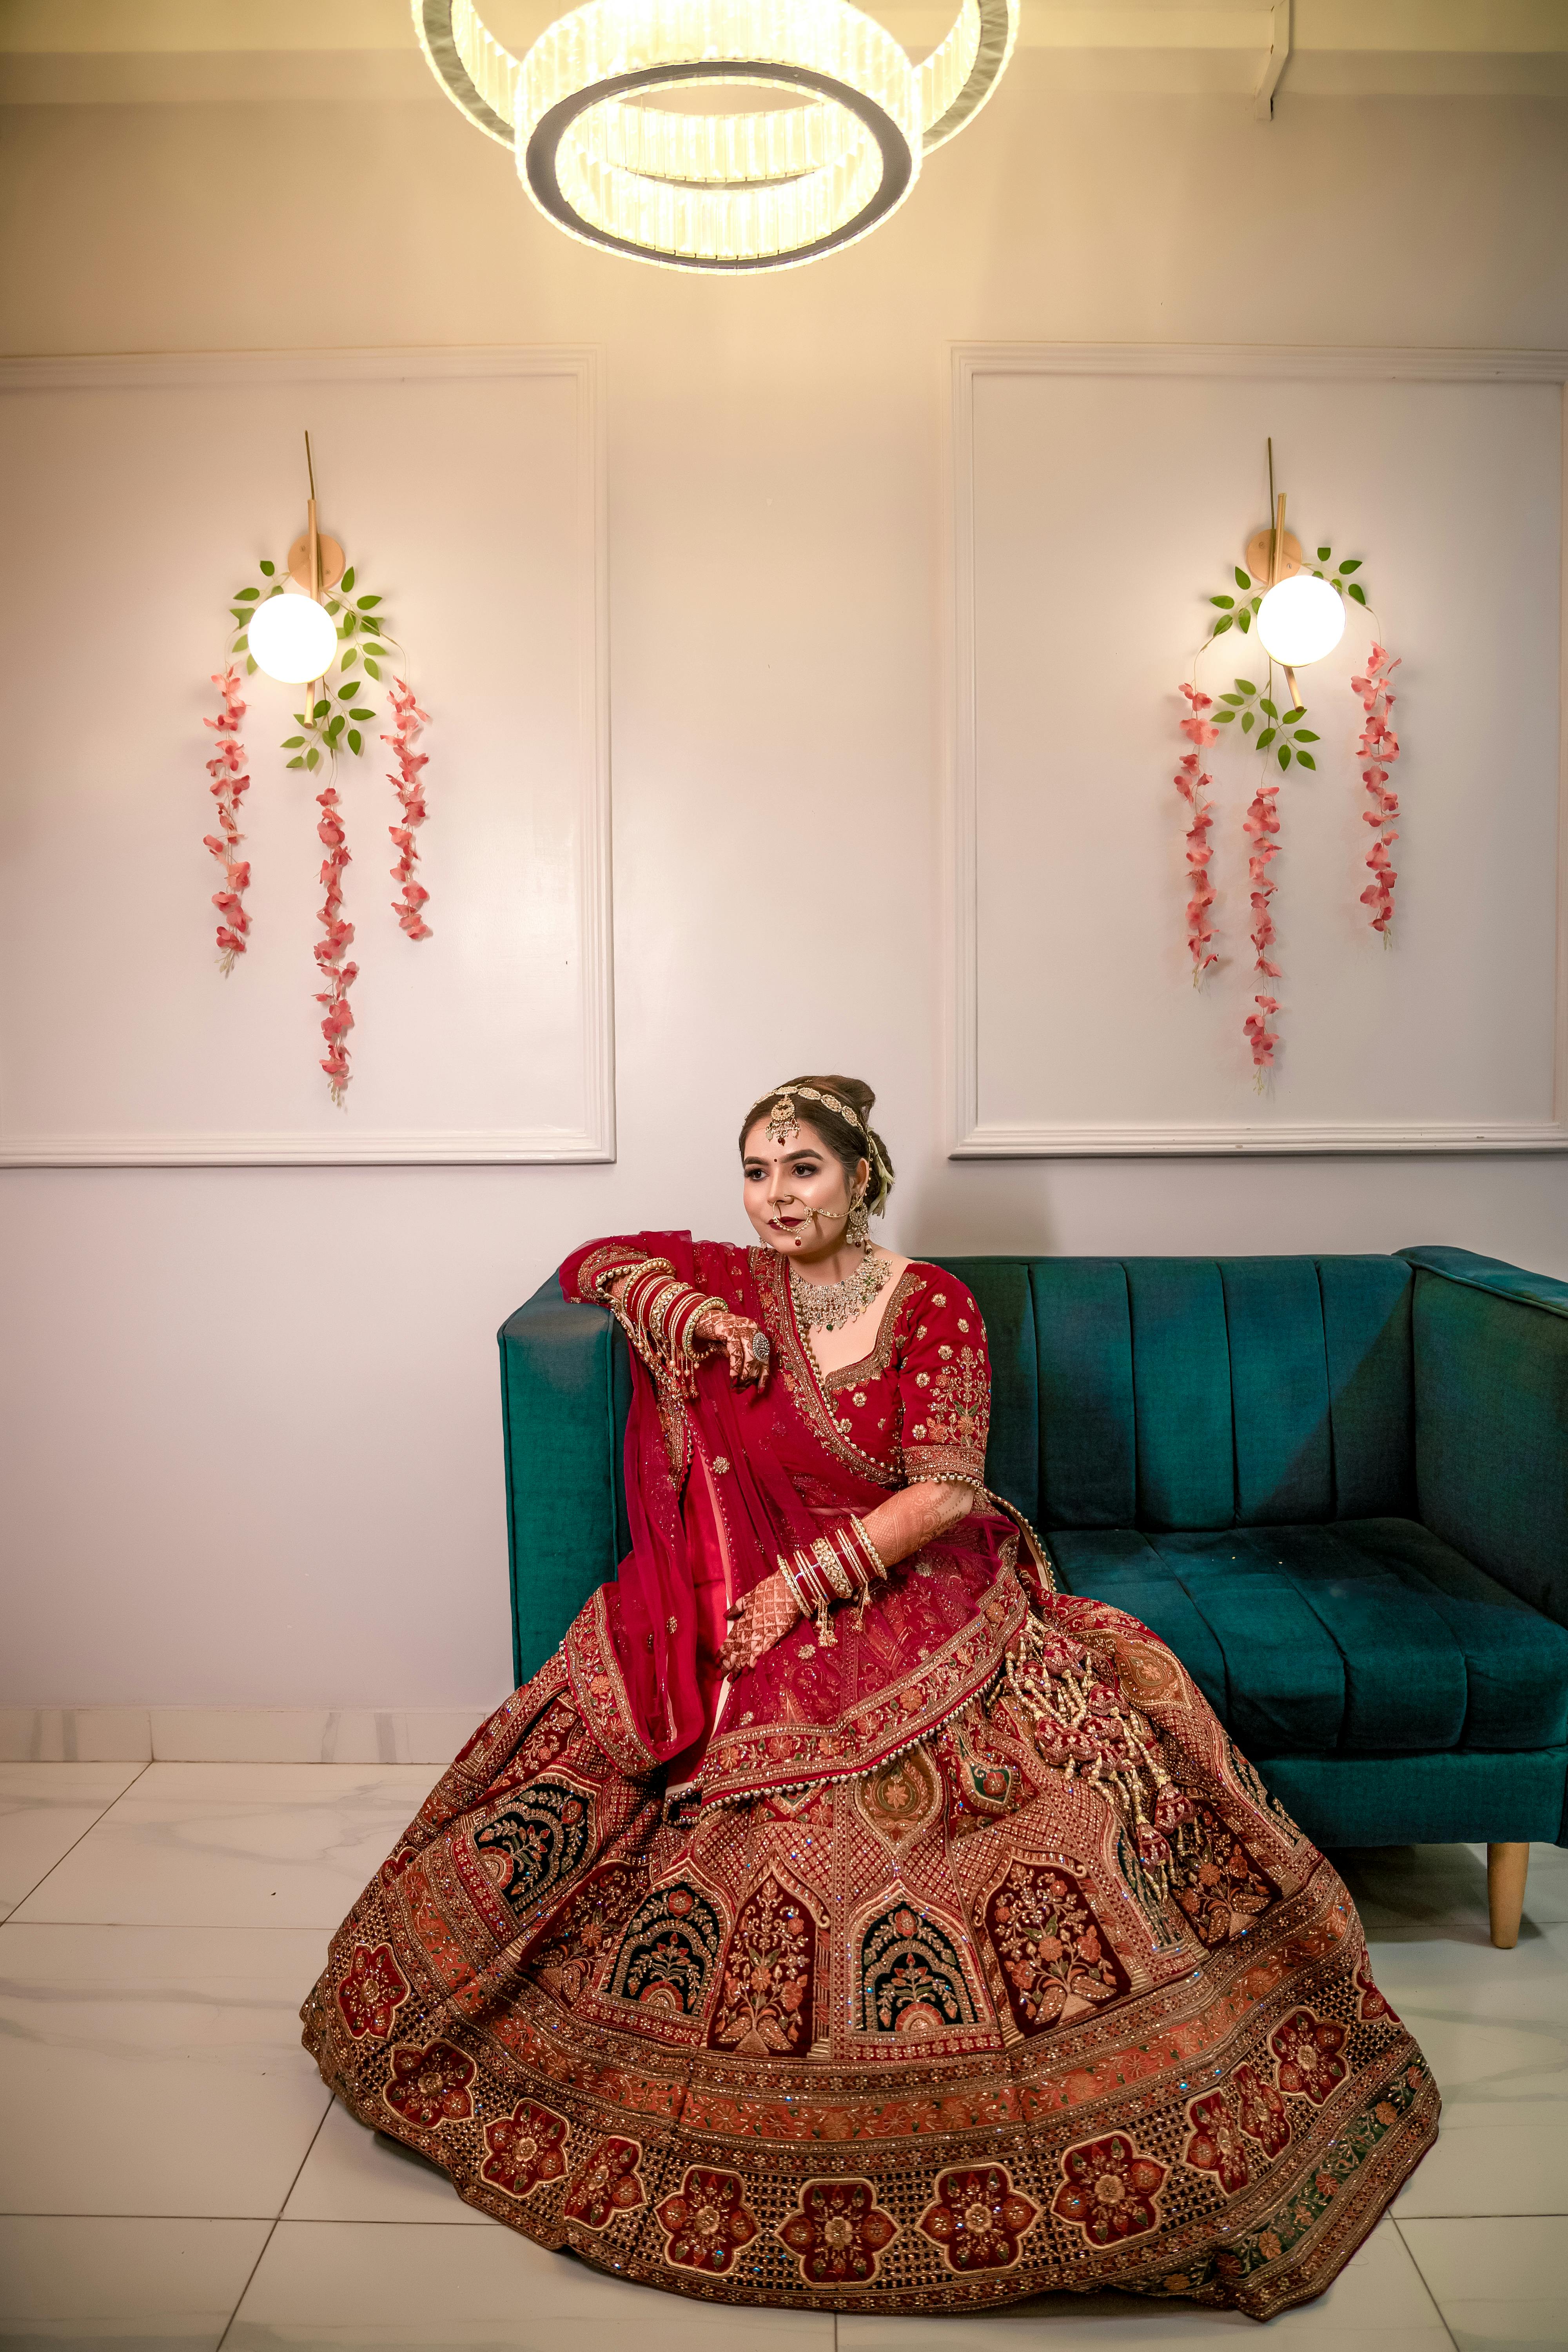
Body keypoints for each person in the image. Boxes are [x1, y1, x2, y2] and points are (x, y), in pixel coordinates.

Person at [303, 1074, 1435, 2319]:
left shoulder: (933, 1306)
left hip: (910, 1578)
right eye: (756, 1172)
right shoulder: (736, 1287)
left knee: (986, 1803)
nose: (777, 1199)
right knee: (658, 1779)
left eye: (804, 1172)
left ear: (862, 1178)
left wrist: (802, 1590)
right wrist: (678, 1307)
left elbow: (948, 1492)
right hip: (750, 1575)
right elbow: (595, 1260)